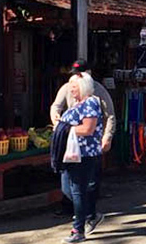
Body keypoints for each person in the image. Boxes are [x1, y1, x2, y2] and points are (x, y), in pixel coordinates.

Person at [50, 59, 116, 215]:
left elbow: (110, 115)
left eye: (80, 74)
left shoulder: (98, 92)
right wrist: (56, 121)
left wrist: (107, 136)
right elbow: (56, 106)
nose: (76, 80)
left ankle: (88, 214)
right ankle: (73, 211)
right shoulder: (67, 88)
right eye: (74, 75)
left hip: (90, 143)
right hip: (71, 142)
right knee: (68, 180)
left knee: (90, 182)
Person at [57, 72, 104, 243]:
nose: (70, 89)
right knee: (68, 189)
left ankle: (78, 229)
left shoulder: (90, 102)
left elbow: (88, 129)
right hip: (71, 154)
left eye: (74, 86)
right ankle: (90, 215)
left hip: (84, 154)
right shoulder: (77, 104)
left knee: (77, 190)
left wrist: (65, 129)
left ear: (83, 87)